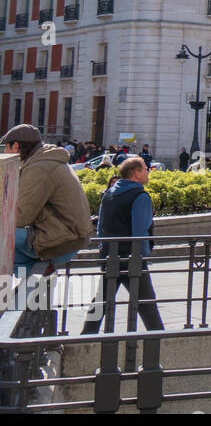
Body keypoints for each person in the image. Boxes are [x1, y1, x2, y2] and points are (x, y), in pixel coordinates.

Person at [82, 156, 166, 333]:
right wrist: (142, 257)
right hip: (131, 258)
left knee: (101, 302)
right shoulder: (140, 195)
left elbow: (101, 227)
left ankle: (85, 336)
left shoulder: (109, 193)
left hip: (110, 256)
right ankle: (159, 340)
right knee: (146, 303)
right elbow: (140, 232)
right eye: (144, 168)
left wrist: (103, 253)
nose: (148, 171)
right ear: (136, 174)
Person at [5, 124, 93, 273]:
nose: (5, 152)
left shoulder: (39, 168)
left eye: (6, 147)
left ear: (17, 146)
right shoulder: (46, 160)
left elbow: (20, 217)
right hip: (68, 238)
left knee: (3, 232)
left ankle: (36, 277)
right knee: (9, 259)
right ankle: (36, 278)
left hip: (60, 241)